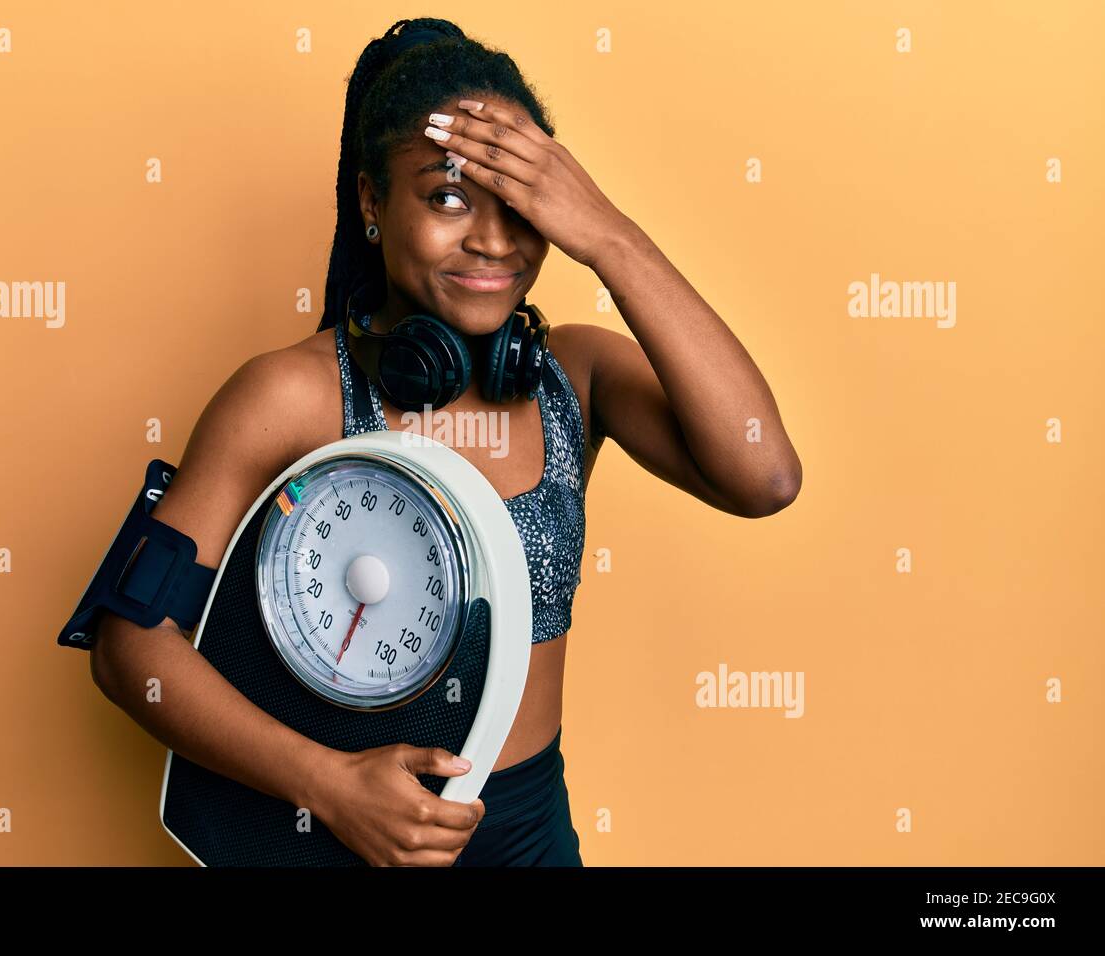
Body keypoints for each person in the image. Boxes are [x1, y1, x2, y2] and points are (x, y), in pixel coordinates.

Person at [89, 17, 802, 867]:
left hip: (530, 838)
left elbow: (765, 477)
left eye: (523, 205)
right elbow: (130, 645)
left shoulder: (574, 377)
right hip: (333, 835)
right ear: (371, 204)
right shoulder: (292, 396)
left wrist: (608, 234)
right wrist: (327, 785)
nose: (494, 241)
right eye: (449, 197)